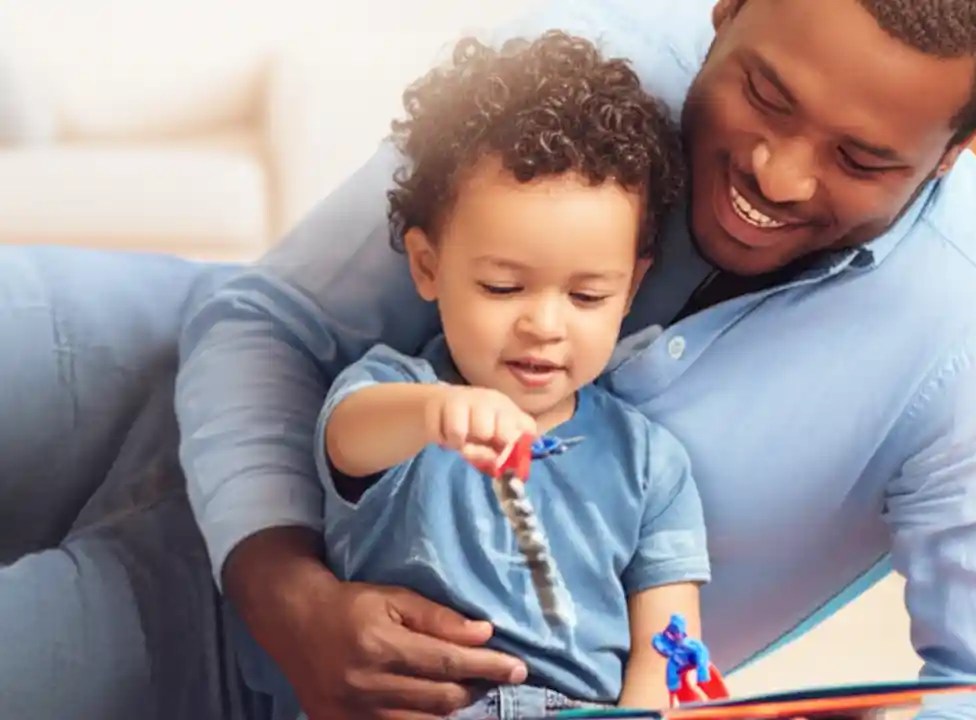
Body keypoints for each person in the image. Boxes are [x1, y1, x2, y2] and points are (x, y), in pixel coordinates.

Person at [0, 1, 976, 719]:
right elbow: (271, 323)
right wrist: (285, 591)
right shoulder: (585, 67)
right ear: (728, 4)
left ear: (958, 146)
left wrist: (662, 696)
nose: (778, 174)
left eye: (862, 158)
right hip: (124, 385)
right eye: (764, 95)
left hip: (210, 637)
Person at [243, 31, 709, 718]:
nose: (544, 325)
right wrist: (435, 413)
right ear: (428, 266)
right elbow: (349, 439)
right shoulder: (392, 393)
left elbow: (671, 645)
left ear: (632, 288)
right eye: (502, 287)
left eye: (587, 296)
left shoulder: (650, 465)